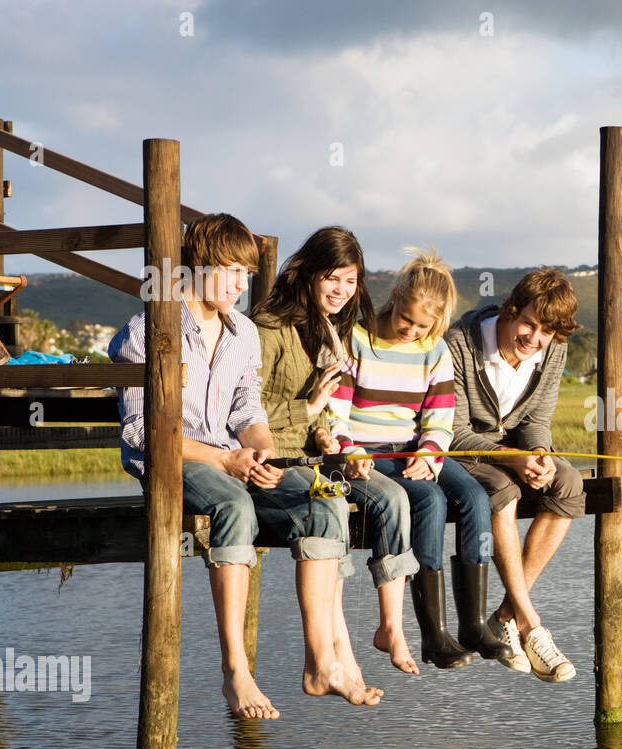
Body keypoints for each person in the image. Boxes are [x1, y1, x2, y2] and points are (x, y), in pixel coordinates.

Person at [110, 213, 382, 718]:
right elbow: (139, 432)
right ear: (195, 268)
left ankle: (321, 662)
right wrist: (223, 459)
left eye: (245, 273)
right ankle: (236, 670)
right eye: (230, 271)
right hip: (175, 461)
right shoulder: (150, 328)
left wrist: (261, 452)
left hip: (230, 459)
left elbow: (249, 412)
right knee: (234, 503)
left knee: (321, 502)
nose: (241, 284)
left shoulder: (243, 334)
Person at [250, 226, 425, 675]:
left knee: (394, 497)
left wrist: (328, 433)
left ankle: (392, 626)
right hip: (277, 459)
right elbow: (244, 411)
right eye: (332, 278)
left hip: (321, 456)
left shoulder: (331, 330)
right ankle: (333, 653)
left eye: (350, 281)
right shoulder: (268, 328)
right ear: (307, 272)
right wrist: (306, 409)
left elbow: (325, 410)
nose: (342, 291)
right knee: (328, 506)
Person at [328, 247, 508, 669]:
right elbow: (335, 412)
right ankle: (432, 633)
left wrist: (430, 454)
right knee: (430, 500)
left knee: (474, 496)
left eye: (422, 326)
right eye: (405, 320)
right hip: (368, 454)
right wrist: (349, 450)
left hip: (415, 450)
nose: (410, 331)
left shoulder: (435, 350)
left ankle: (474, 622)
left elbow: (440, 420)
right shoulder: (357, 339)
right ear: (394, 296)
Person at [445, 267, 584, 683]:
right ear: (510, 309)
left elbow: (538, 421)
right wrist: (514, 459)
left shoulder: (552, 349)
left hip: (514, 452)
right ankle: (531, 624)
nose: (534, 339)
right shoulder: (459, 345)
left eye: (546, 332)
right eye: (529, 323)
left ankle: (504, 615)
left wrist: (539, 453)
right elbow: (453, 433)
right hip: (464, 452)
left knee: (570, 482)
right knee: (503, 489)